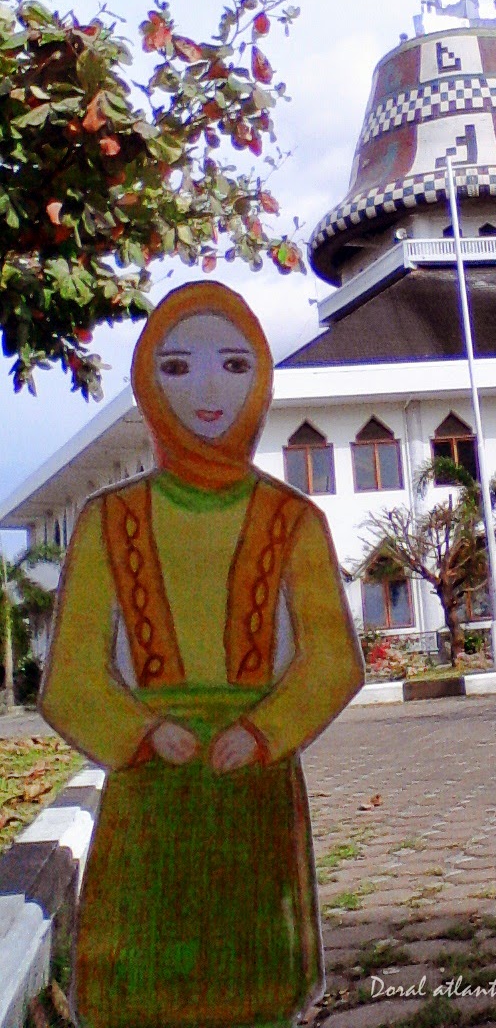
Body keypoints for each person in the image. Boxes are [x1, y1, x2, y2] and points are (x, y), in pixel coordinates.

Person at [40, 280, 365, 1028]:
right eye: (179, 368)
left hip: (253, 785)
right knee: (144, 985)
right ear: (147, 380)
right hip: (149, 791)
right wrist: (144, 732)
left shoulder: (294, 520)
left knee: (253, 984)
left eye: (234, 363)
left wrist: (260, 733)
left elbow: (331, 659)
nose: (209, 390)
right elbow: (72, 677)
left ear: (261, 379)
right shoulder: (105, 520)